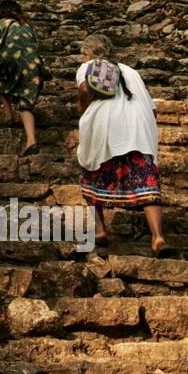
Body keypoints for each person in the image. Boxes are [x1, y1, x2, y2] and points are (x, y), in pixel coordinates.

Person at [75, 33, 169, 256]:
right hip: (136, 129)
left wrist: (81, 108)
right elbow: (152, 109)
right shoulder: (131, 71)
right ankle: (158, 236)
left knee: (92, 172)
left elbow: (84, 90)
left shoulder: (88, 66)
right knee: (147, 179)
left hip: (104, 126)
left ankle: (100, 231)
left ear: (86, 54)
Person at [0, 0, 49, 155]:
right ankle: (31, 141)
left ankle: (8, 115)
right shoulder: (27, 26)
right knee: (26, 104)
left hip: (8, 63)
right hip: (32, 66)